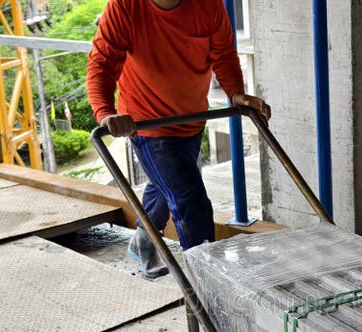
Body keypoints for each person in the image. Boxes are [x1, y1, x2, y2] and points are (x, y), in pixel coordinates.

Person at [86, 0, 270, 278]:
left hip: (190, 120)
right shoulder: (125, 7)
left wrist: (235, 94)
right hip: (148, 125)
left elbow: (223, 54)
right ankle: (206, 281)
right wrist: (105, 112)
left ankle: (143, 241)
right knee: (189, 199)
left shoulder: (208, 5)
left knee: (165, 185)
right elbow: (102, 62)